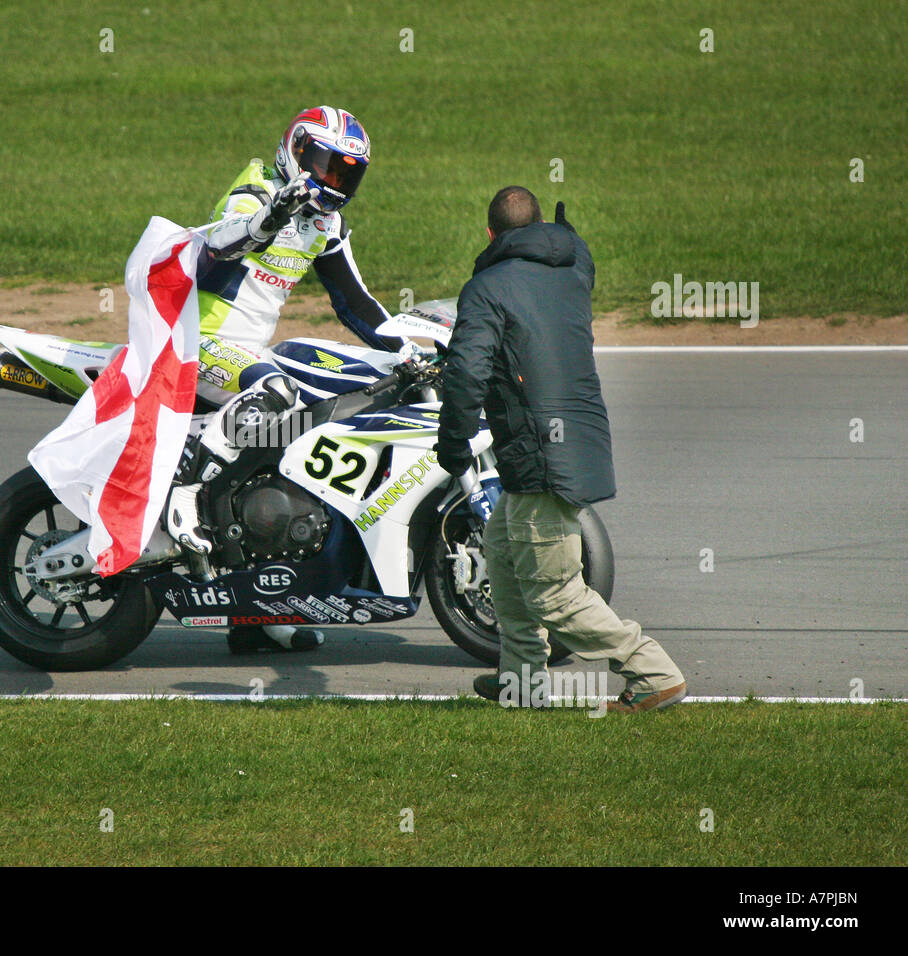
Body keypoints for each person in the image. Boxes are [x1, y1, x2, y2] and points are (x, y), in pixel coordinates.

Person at [435, 186, 686, 713]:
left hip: (539, 454)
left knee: (554, 593)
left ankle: (654, 672)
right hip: (574, 440)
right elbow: (574, 252)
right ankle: (521, 680)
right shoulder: (573, 267)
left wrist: (453, 445)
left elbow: (465, 375)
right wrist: (564, 232)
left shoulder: (486, 289)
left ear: (490, 234)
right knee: (503, 553)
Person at [166, 105, 401, 654]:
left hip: (246, 353)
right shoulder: (255, 191)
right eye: (327, 166)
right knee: (277, 392)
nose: (334, 181)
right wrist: (268, 218)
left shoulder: (325, 223)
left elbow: (354, 302)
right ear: (295, 153)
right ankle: (184, 498)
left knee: (295, 441)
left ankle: (257, 611)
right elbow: (212, 253)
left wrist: (410, 348)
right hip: (198, 343)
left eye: (346, 174)